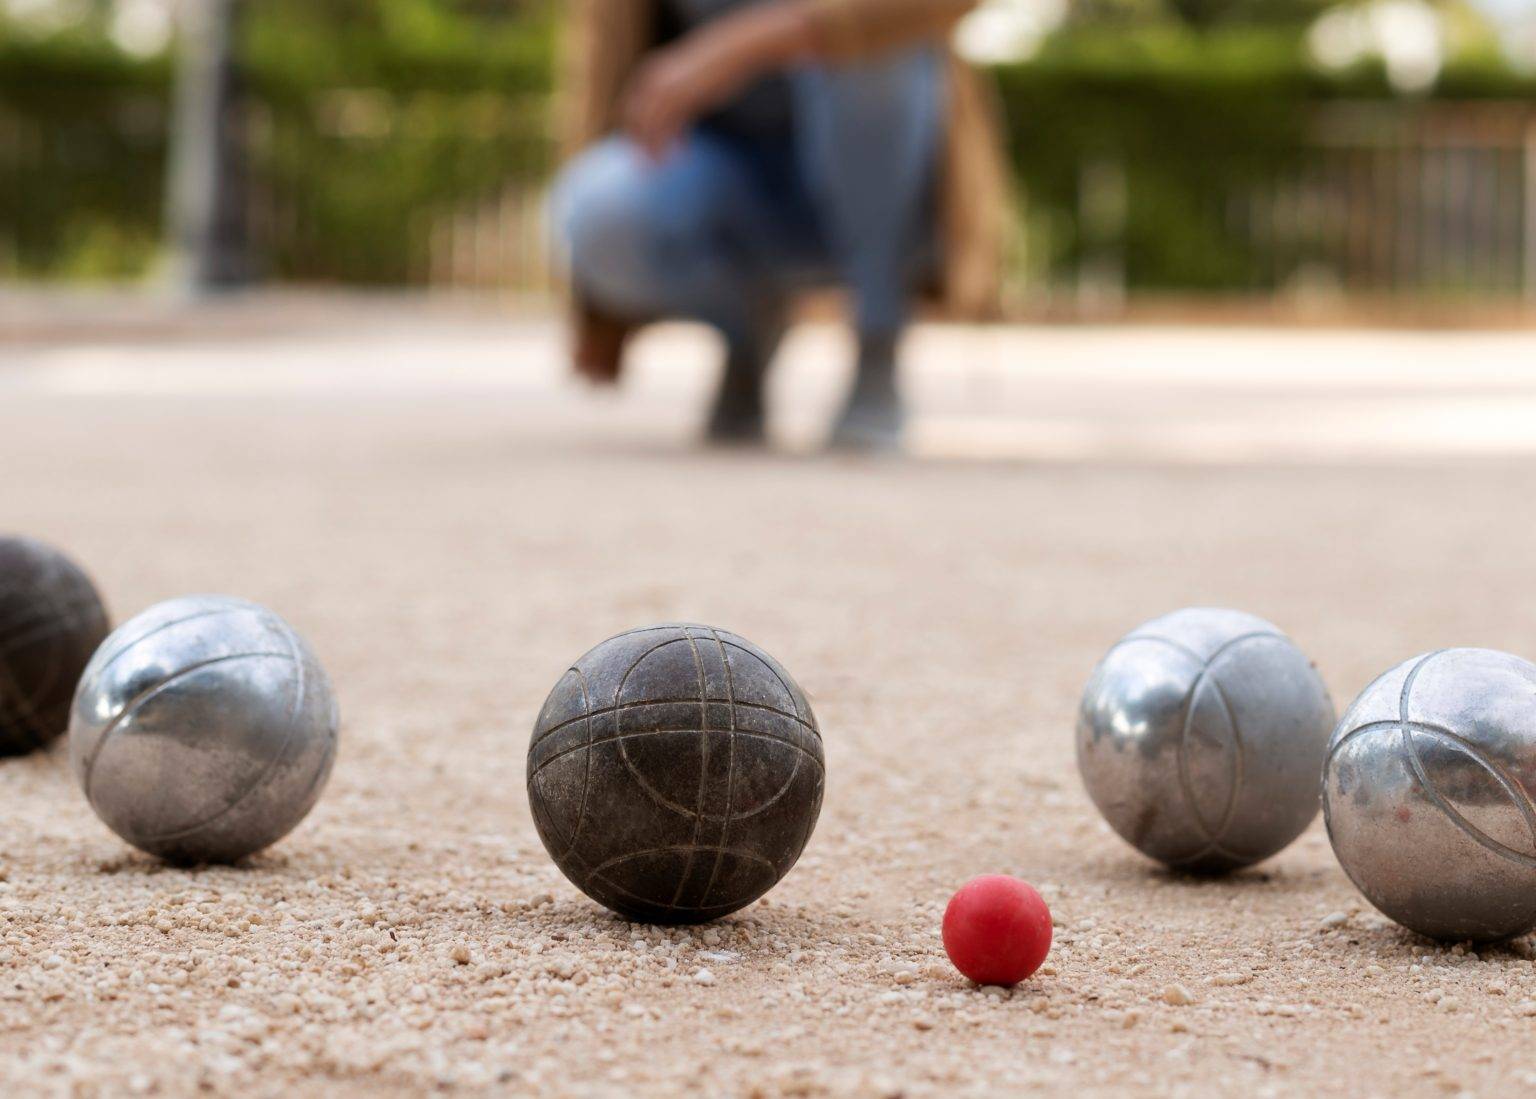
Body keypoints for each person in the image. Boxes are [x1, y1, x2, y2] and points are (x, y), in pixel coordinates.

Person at [554, 0, 1008, 449]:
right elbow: (609, 75)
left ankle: (878, 341)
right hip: (720, 172)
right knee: (600, 212)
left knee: (875, 55)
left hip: (885, 182)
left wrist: (736, 47)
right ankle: (747, 335)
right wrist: (594, 308)